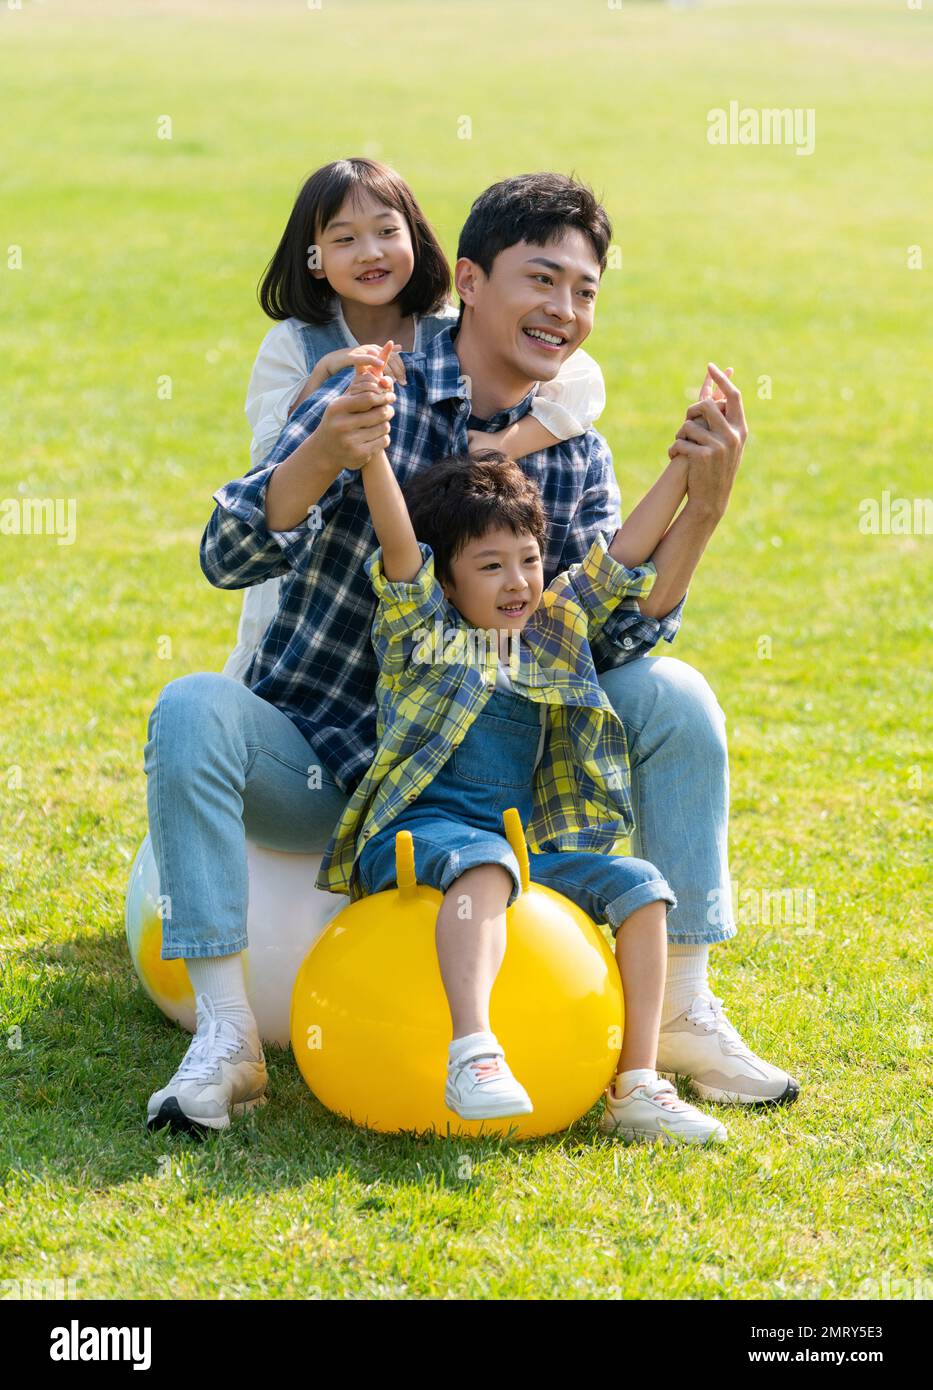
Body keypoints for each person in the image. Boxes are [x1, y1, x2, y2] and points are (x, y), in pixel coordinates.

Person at [144, 171, 798, 1136]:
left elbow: (606, 635)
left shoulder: (575, 447)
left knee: (676, 694)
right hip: (330, 758)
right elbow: (226, 553)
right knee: (193, 706)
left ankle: (679, 1017)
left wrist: (700, 512)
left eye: (585, 292)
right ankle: (229, 1039)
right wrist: (321, 453)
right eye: (542, 280)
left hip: (489, 782)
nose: (564, 311)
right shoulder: (373, 390)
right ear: (468, 282)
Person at [323, 385, 727, 1140]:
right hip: (414, 841)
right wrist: (373, 452)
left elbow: (621, 559)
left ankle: (634, 1084)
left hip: (518, 847)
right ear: (447, 581)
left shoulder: (553, 630)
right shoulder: (420, 632)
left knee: (643, 887)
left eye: (529, 560)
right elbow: (399, 544)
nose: (517, 582)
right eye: (490, 566)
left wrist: (683, 462)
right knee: (483, 866)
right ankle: (473, 1050)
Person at [224, 157, 605, 684]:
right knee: (260, 649)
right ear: (313, 259)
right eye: (344, 239)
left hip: (439, 628)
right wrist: (321, 392)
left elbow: (583, 382)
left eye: (386, 232)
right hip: (307, 558)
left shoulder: (451, 325)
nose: (371, 252)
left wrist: (505, 445)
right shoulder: (297, 347)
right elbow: (269, 466)